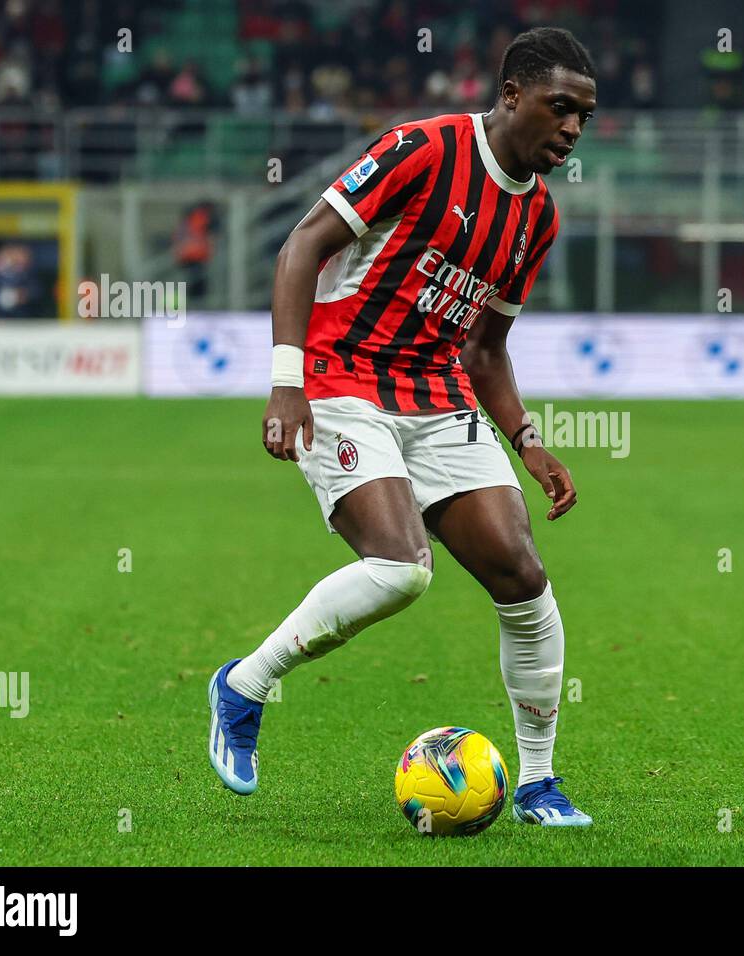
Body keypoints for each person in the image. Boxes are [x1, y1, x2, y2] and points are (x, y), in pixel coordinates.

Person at [207, 27, 598, 827]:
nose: (571, 129)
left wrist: (527, 440)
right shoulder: (421, 149)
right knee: (401, 569)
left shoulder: (538, 219)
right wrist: (286, 384)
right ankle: (244, 685)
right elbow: (302, 243)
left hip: (437, 393)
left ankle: (537, 783)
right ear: (513, 93)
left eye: (585, 117)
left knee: (522, 576)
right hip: (340, 376)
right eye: (560, 108)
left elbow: (486, 347)